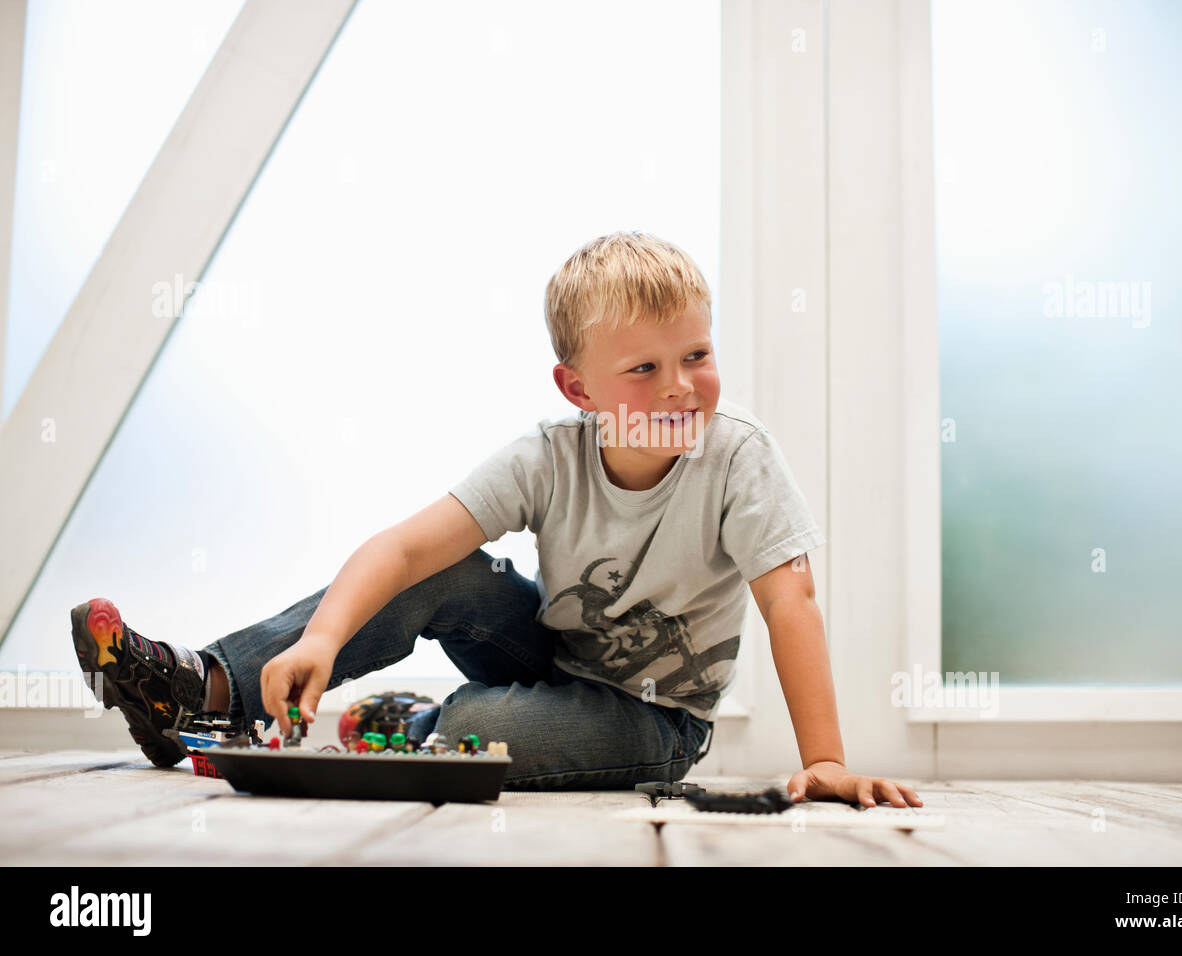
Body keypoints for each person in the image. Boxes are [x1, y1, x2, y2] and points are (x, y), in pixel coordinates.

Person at [70, 231, 922, 808]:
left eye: (696, 356)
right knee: (443, 573)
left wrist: (826, 761)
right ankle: (204, 688)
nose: (679, 385)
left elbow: (790, 603)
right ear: (578, 390)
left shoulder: (738, 456)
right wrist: (326, 640)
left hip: (653, 715)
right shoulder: (548, 455)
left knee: (482, 728)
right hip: (555, 653)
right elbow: (403, 548)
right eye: (644, 367)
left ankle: (414, 732)